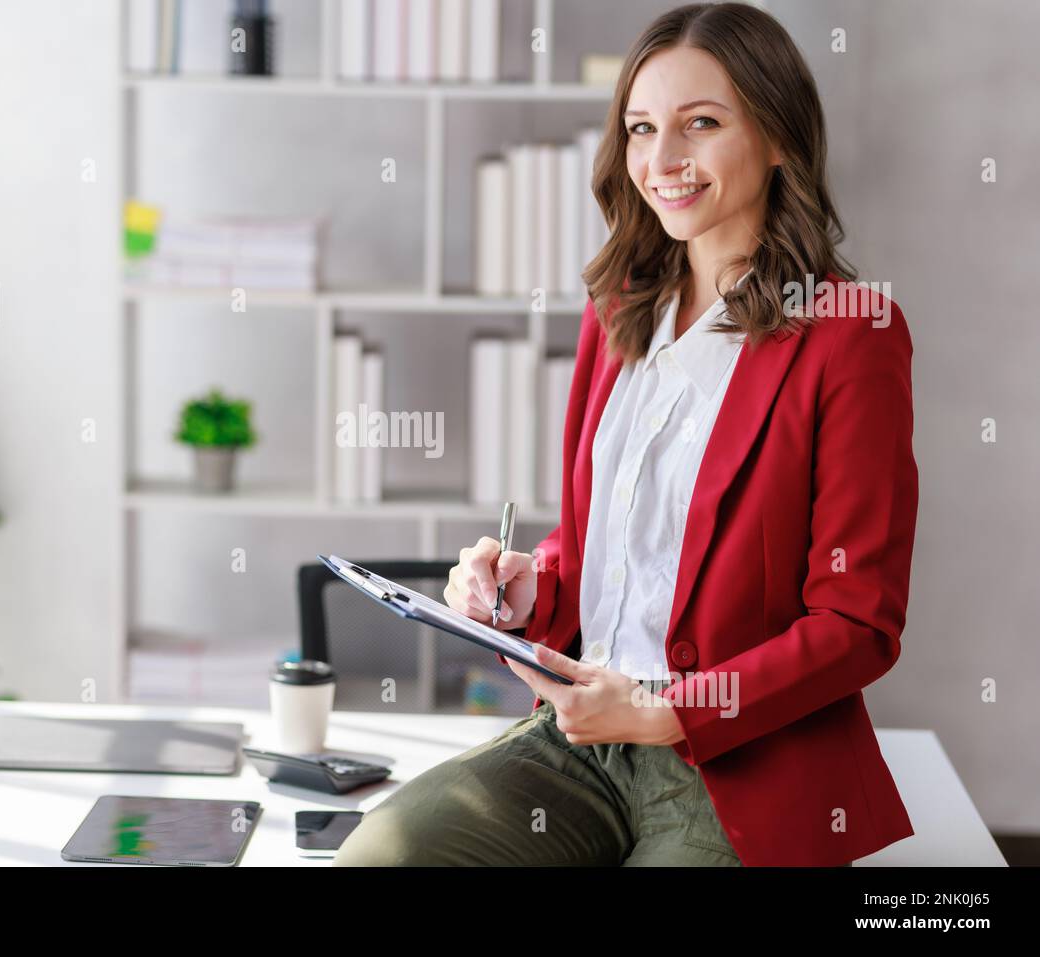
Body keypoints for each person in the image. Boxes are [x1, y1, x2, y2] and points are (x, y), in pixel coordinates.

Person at [334, 1, 916, 867]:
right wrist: (532, 589)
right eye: (642, 129)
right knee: (384, 853)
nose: (663, 161)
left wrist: (669, 709)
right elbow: (606, 549)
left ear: (782, 136)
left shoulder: (848, 331)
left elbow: (858, 623)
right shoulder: (619, 314)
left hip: (734, 762)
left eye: (702, 124)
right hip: (585, 736)